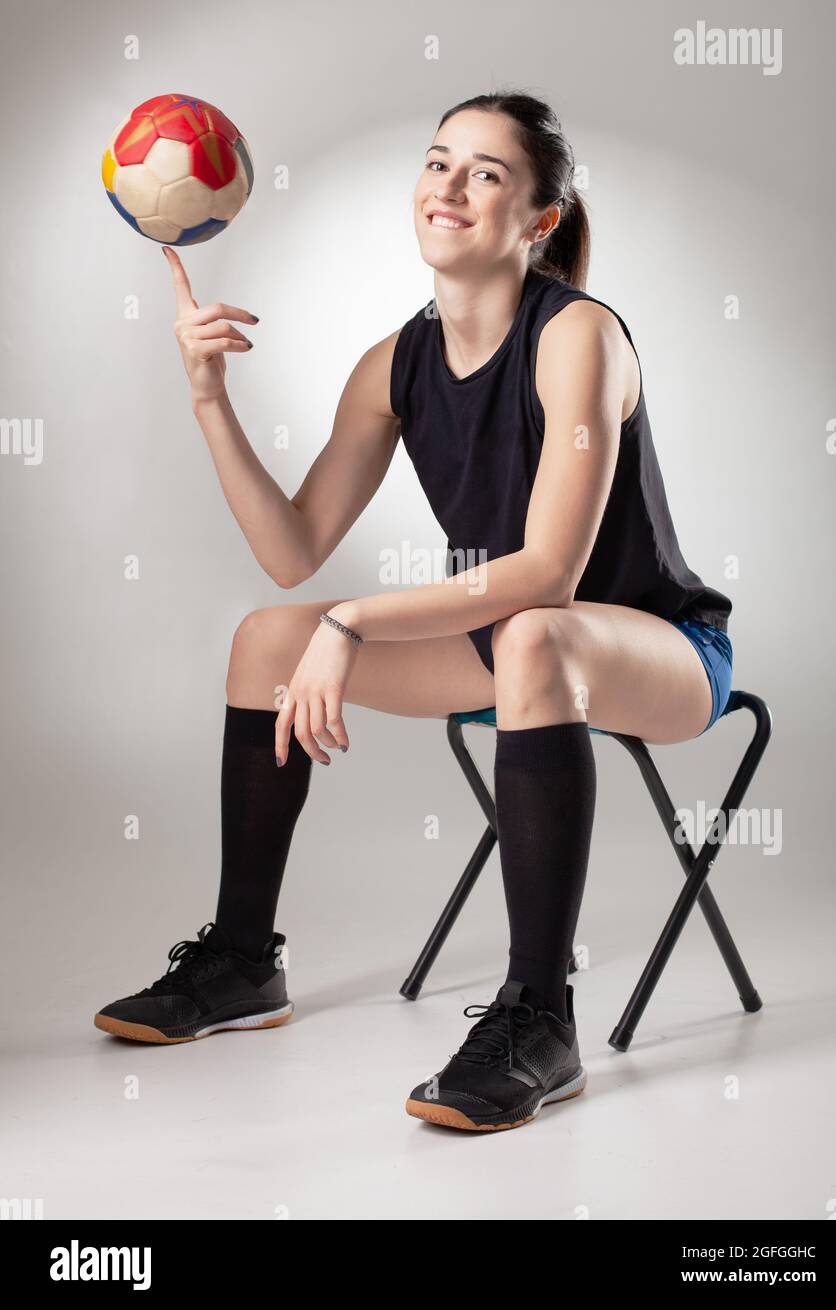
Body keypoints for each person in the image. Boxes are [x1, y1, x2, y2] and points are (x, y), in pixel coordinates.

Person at [94, 89, 733, 1135]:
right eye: (438, 162)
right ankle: (244, 960)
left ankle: (541, 1018)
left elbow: (548, 575)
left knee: (532, 633)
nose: (450, 187)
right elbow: (291, 551)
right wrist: (209, 398)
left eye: (486, 172)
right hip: (511, 648)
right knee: (264, 641)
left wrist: (354, 624)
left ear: (539, 219)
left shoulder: (579, 334)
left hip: (661, 650)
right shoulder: (396, 362)